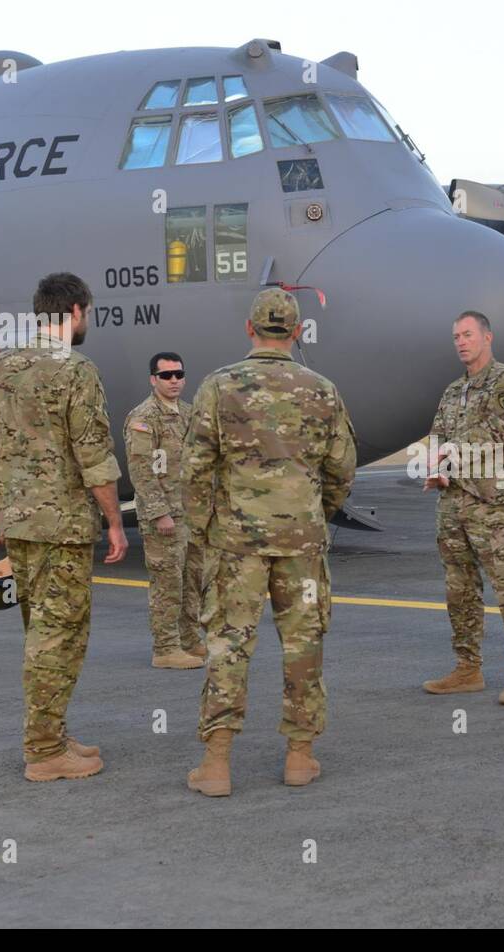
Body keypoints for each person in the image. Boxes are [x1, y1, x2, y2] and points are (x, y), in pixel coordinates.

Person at [182, 289, 357, 796]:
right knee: (303, 644)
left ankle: (216, 764)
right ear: (298, 332)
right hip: (301, 543)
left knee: (229, 645)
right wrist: (314, 513)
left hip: (237, 543)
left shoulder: (219, 386)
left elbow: (195, 468)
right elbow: (341, 467)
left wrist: (203, 529)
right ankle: (299, 758)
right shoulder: (321, 389)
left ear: (249, 329)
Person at [0, 272, 127, 782]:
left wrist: (1, 510)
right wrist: (114, 522)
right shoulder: (76, 370)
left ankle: (54, 733)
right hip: (61, 526)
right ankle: (43, 750)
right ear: (78, 310)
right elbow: (94, 457)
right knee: (59, 635)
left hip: (18, 522)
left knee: (40, 629)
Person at [421, 311, 504, 705]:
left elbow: (495, 433)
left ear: (487, 337)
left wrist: (445, 454)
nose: (461, 341)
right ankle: (467, 669)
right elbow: (438, 434)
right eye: (456, 335)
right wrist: (437, 470)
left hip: (494, 506)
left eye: (468, 334)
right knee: (459, 590)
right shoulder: (452, 391)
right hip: (454, 503)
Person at [124, 352, 205, 669]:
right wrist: (160, 513)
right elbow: (141, 471)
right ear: (153, 379)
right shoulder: (144, 418)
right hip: (164, 516)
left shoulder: (188, 414)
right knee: (168, 583)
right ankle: (165, 647)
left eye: (178, 374)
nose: (174, 381)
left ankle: (189, 639)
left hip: (190, 514)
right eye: (166, 375)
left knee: (192, 580)